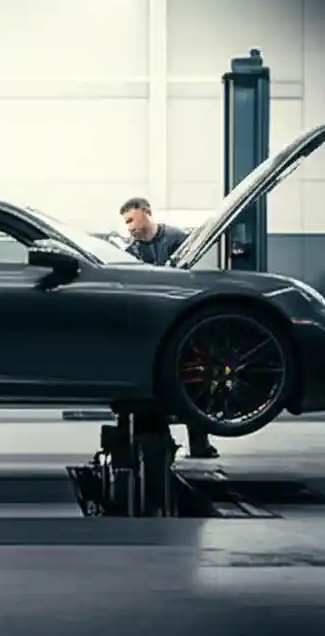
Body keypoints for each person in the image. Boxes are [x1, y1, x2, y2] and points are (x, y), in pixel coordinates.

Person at [118, 197, 218, 459]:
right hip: (156, 324)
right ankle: (163, 443)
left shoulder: (179, 239)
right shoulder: (132, 251)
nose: (129, 227)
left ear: (147, 213)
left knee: (193, 383)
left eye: (131, 220)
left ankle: (200, 444)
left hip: (185, 322)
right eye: (126, 222)